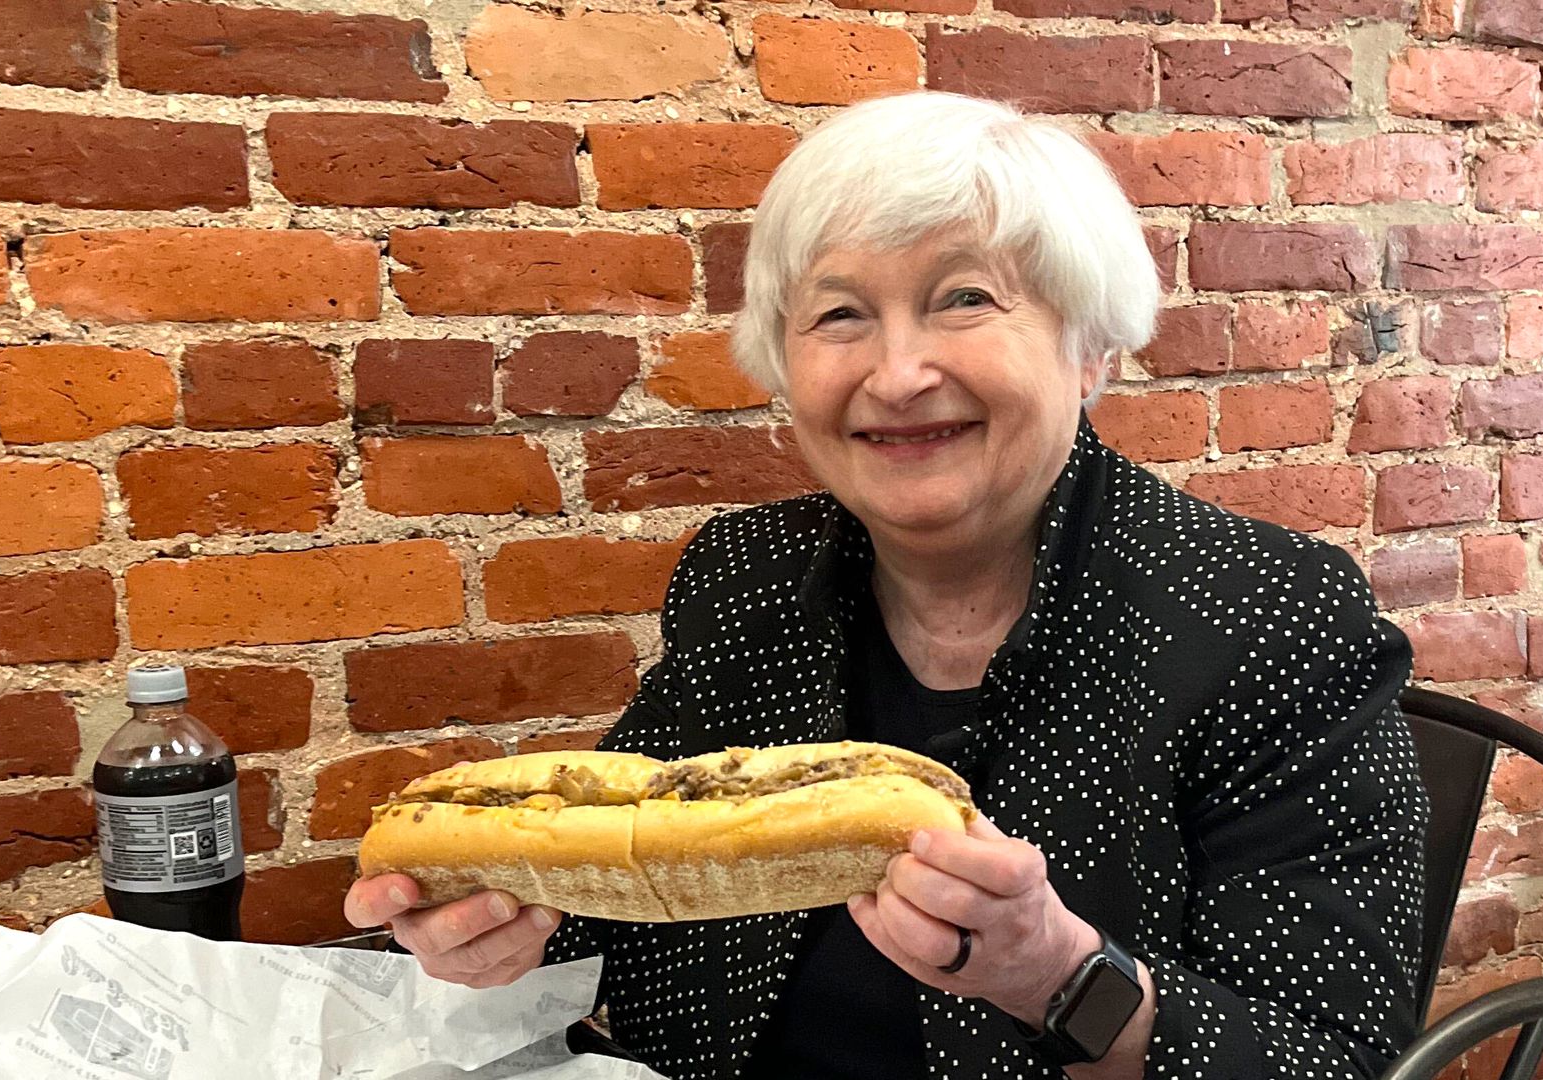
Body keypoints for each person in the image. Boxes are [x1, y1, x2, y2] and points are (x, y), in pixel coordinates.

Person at [346, 91, 1428, 1080]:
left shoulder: (1271, 618)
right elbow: (629, 878)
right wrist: (494, 917)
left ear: (1087, 345)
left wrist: (1055, 975)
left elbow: (1328, 1057)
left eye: (964, 298)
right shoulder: (748, 578)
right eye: (840, 315)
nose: (898, 375)